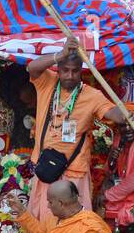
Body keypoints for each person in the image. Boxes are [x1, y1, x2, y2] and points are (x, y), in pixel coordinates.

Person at [22, 43, 125, 221]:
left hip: (73, 171)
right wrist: (60, 54)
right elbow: (32, 67)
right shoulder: (48, 82)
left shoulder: (92, 95)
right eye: (65, 70)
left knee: (75, 223)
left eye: (75, 71)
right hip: (46, 168)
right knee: (43, 221)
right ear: (58, 70)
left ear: (81, 71)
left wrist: (125, 114)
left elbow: (112, 113)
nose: (70, 76)